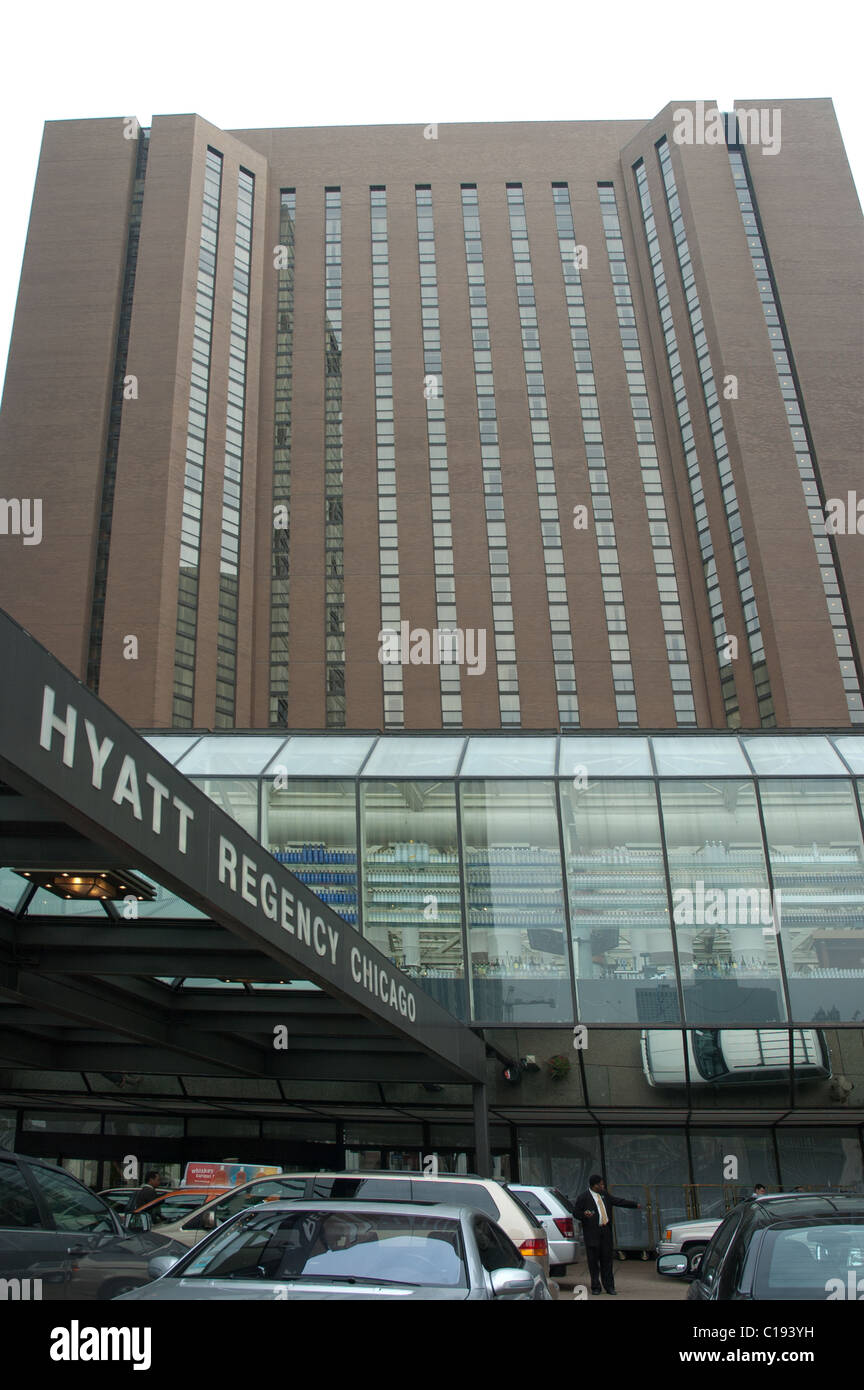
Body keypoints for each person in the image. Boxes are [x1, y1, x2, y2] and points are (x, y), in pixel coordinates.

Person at [572, 1174, 641, 1295]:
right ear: (594, 1185)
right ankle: (596, 1287)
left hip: (605, 1231)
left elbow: (618, 1201)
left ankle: (609, 1286)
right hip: (592, 1233)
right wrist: (584, 1214)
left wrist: (634, 1204)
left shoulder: (605, 1195)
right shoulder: (584, 1197)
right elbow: (576, 1213)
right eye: (601, 1184)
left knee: (607, 1260)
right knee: (593, 1262)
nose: (603, 1186)